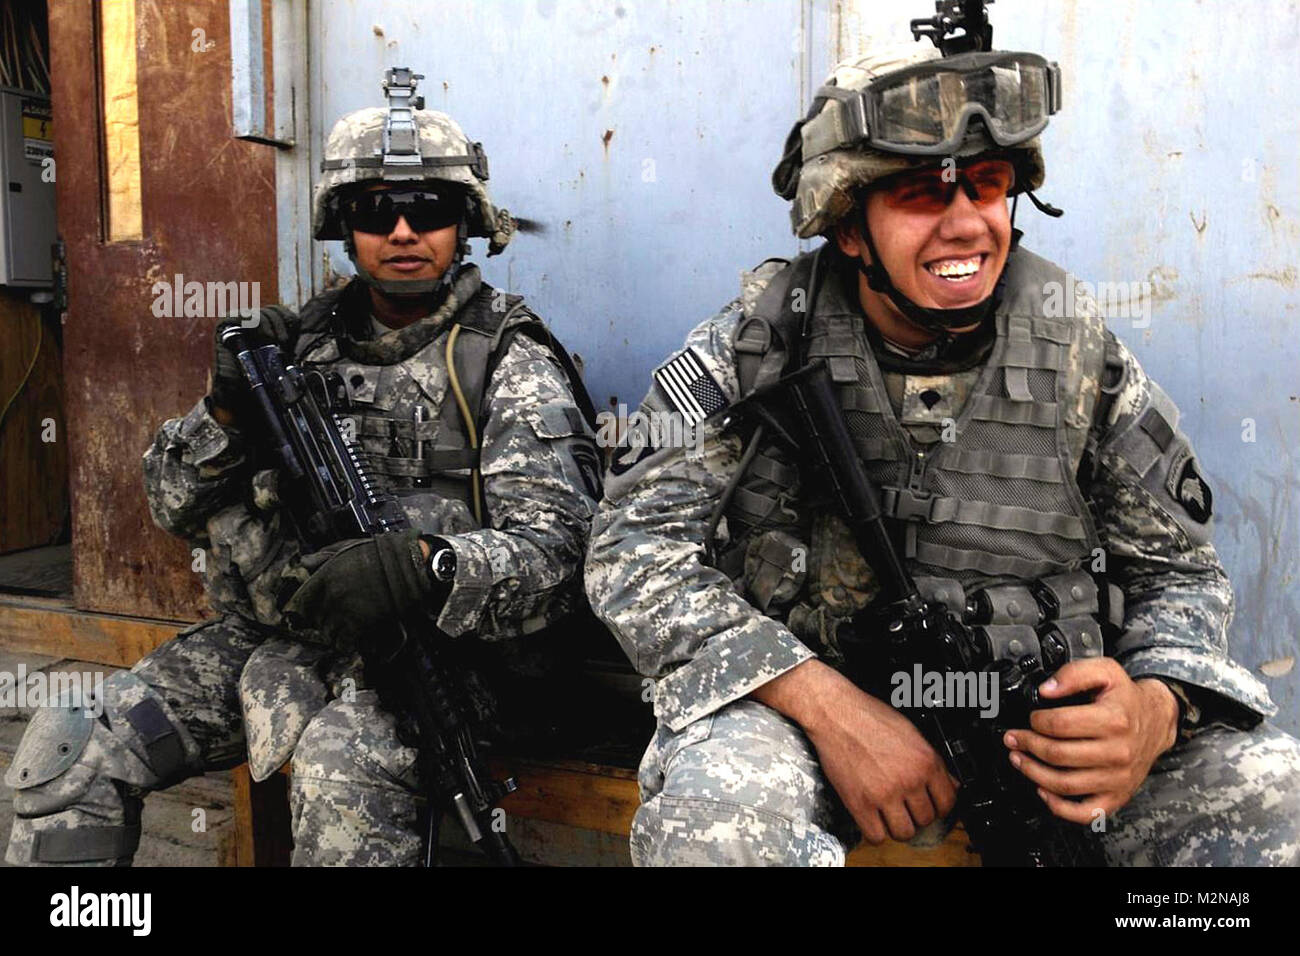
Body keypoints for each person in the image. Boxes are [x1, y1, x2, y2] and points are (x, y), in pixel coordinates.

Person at [585, 44, 1300, 866]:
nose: (965, 223)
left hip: (1037, 722)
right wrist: (824, 704)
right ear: (849, 227)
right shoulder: (757, 345)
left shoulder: (1072, 345)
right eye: (922, 194)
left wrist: (1155, 705)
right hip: (815, 714)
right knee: (716, 824)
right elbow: (631, 552)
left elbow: (1179, 571)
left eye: (987, 185)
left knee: (1271, 792)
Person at [6, 68, 601, 866]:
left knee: (339, 770)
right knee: (72, 746)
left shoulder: (507, 362)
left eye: (428, 210)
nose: (400, 231)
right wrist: (222, 416)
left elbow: (561, 559)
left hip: (441, 660)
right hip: (280, 640)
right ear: (341, 225)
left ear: (466, 224)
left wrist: (428, 566)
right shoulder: (288, 349)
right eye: (372, 211)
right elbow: (170, 501)